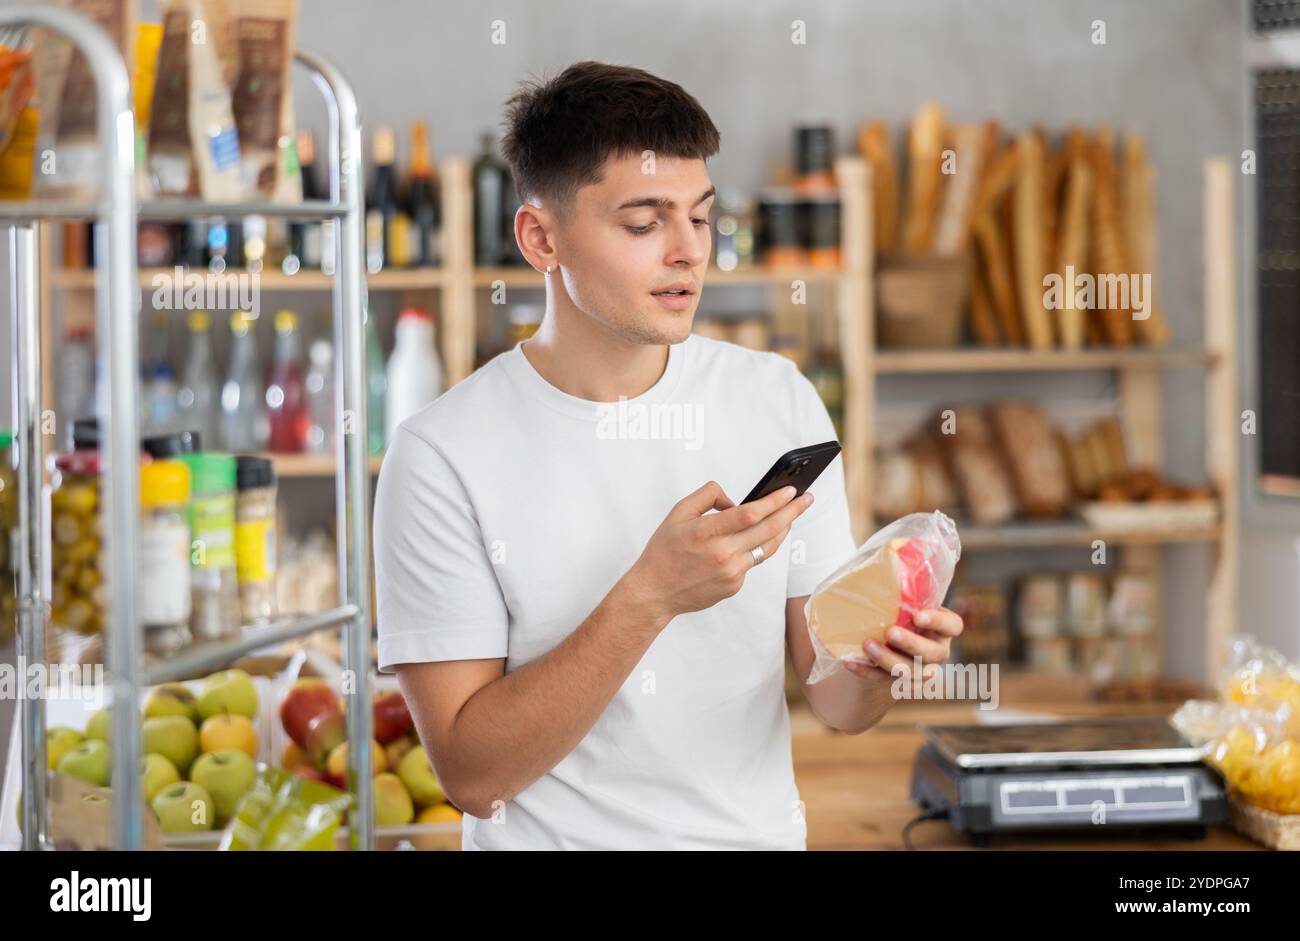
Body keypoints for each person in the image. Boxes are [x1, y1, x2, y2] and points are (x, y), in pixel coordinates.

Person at [373, 60, 964, 850]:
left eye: (701, 216)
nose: (690, 251)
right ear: (540, 238)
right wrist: (650, 596)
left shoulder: (776, 399)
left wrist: (883, 665)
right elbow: (473, 776)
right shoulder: (440, 455)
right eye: (645, 224)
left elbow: (835, 703)